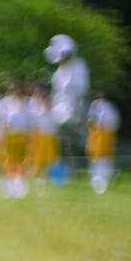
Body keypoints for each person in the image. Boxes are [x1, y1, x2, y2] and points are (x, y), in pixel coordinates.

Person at [46, 34, 88, 170]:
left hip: (73, 116)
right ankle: (64, 173)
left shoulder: (79, 68)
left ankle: (75, 173)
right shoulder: (58, 73)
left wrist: (80, 116)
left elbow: (81, 94)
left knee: (73, 146)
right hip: (58, 117)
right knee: (61, 147)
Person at [85, 88, 119, 194]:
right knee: (96, 159)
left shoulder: (110, 107)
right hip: (97, 135)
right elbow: (91, 120)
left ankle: (105, 179)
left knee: (106, 159)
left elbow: (115, 122)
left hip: (107, 136)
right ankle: (97, 180)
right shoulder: (95, 105)